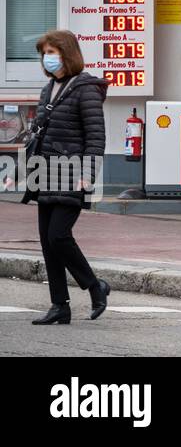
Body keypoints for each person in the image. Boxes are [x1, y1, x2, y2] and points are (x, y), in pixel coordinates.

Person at [23, 31, 111, 325]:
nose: (47, 58)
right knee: (48, 243)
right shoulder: (49, 89)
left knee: (59, 236)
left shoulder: (86, 89)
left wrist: (88, 173)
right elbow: (39, 130)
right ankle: (60, 305)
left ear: (67, 54)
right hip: (45, 173)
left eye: (51, 52)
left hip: (72, 173)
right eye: (44, 53)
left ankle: (95, 286)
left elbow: (95, 137)